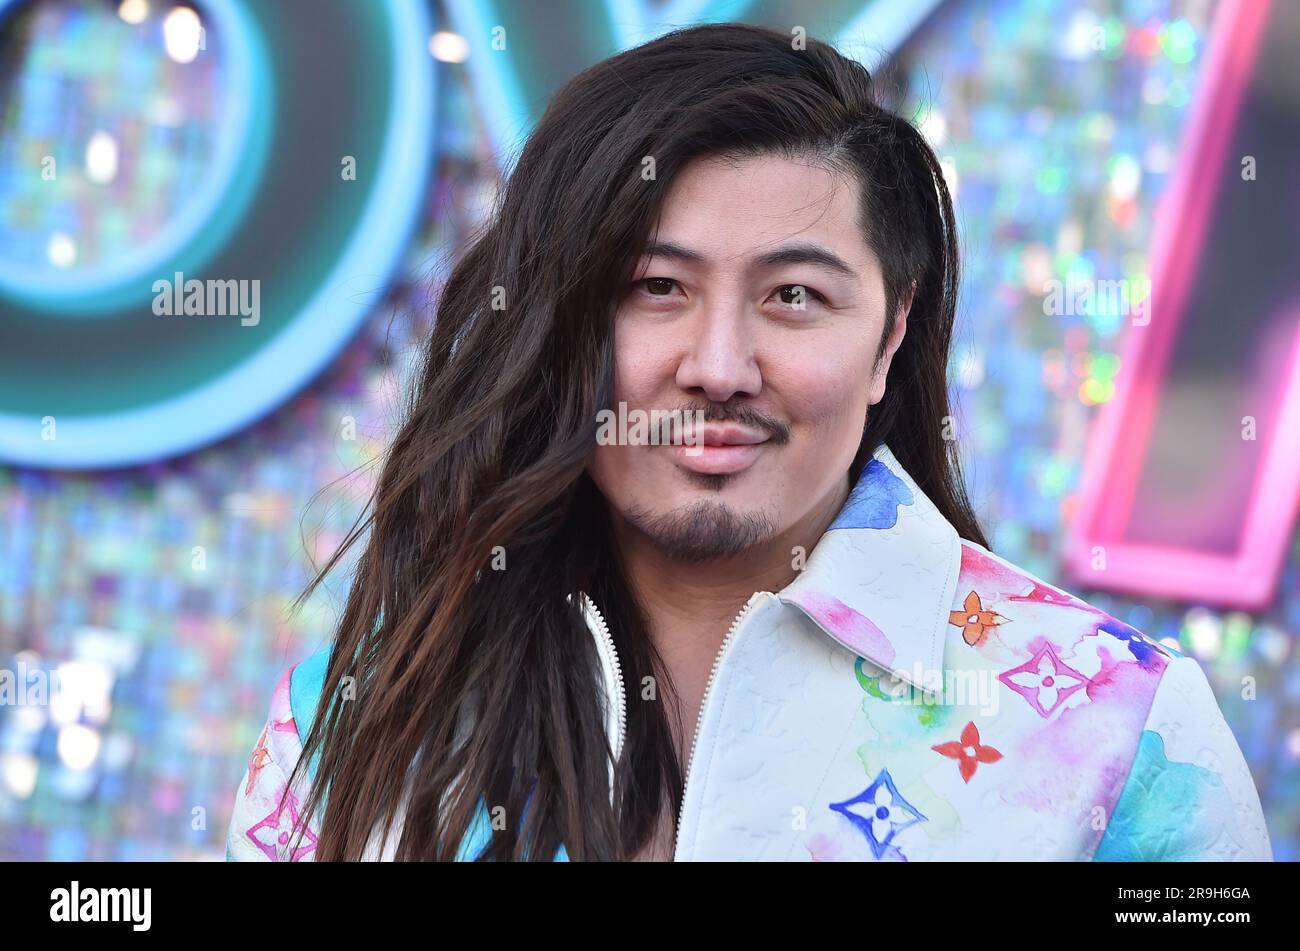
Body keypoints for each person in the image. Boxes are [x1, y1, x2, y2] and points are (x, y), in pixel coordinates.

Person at [225, 22, 1271, 862]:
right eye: (655, 288)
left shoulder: (1115, 734)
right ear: (557, 322)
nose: (719, 364)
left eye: (794, 295)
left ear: (888, 336)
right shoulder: (363, 720)